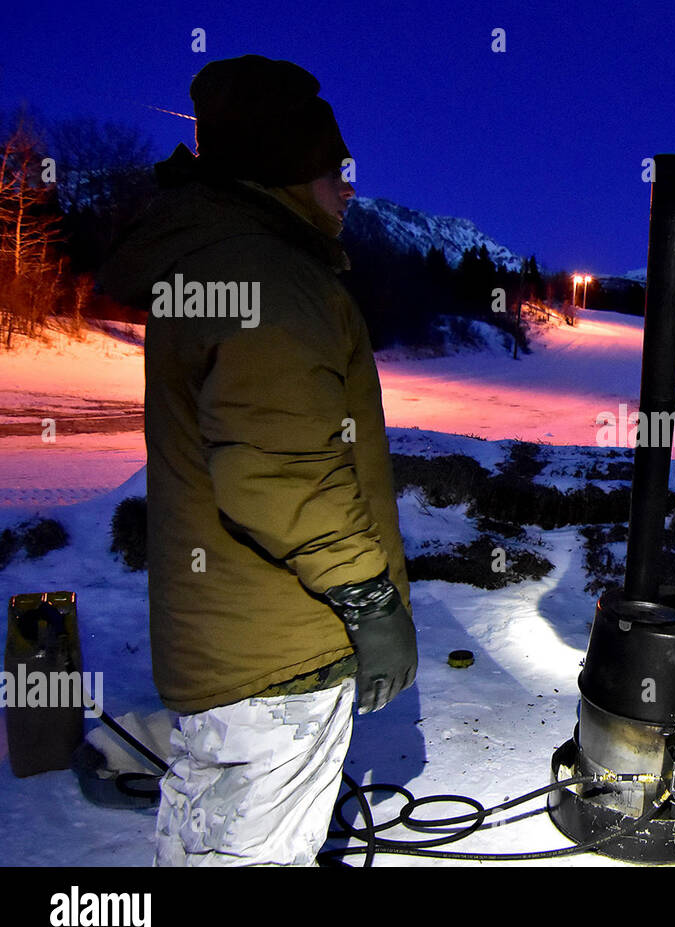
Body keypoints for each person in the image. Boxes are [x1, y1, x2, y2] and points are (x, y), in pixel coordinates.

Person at [100, 55, 417, 866]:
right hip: (280, 649)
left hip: (237, 635)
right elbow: (280, 471)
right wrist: (370, 600)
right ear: (282, 171)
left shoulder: (218, 255)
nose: (348, 189)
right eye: (329, 172)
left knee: (218, 838)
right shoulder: (267, 274)